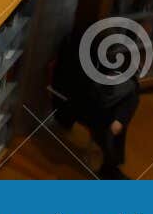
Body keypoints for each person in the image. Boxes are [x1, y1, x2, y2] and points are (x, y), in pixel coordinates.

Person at [52, 26, 140, 179]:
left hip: (90, 99)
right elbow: (94, 95)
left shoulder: (91, 52)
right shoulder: (81, 61)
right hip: (74, 100)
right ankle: (110, 166)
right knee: (122, 106)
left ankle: (110, 161)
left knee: (125, 103)